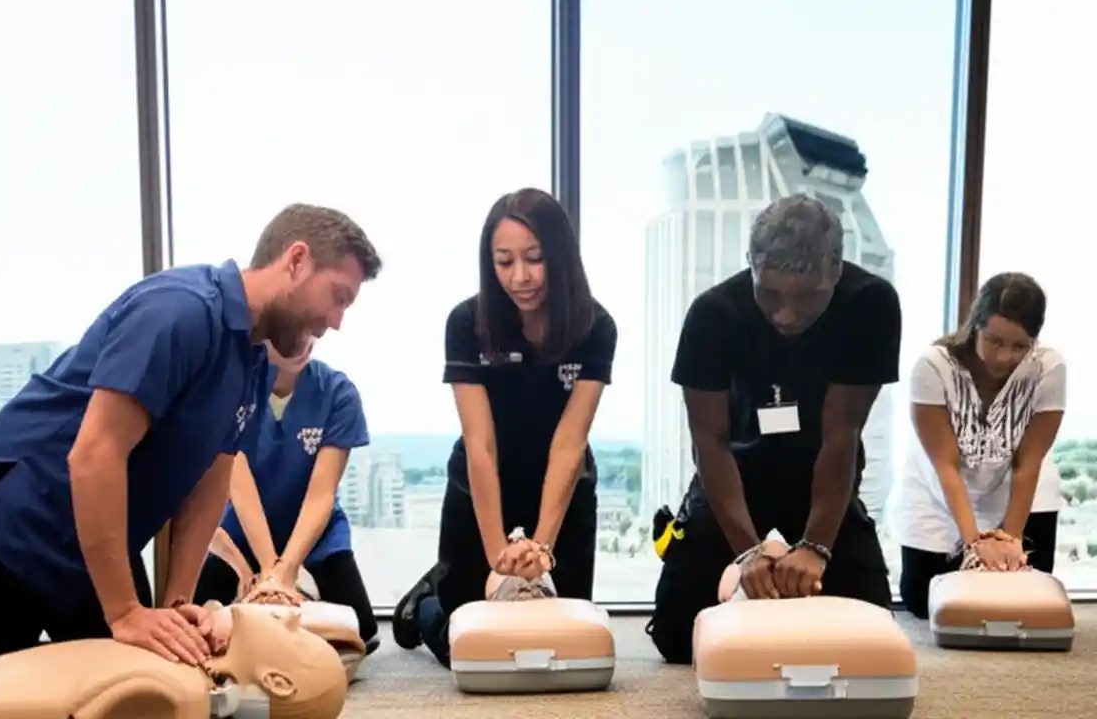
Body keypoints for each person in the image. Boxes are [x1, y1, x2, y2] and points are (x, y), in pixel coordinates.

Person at [0, 203, 381, 719]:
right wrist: (126, 613)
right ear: (297, 260)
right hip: (17, 515)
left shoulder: (254, 361)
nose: (337, 321)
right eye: (339, 297)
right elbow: (95, 455)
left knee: (129, 691)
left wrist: (174, 605)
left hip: (95, 531)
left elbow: (209, 482)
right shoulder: (181, 311)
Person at [645, 194, 899, 665]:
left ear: (836, 271)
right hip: (735, 474)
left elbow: (841, 435)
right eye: (771, 294)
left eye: (807, 297)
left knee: (873, 628)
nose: (786, 314)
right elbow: (709, 442)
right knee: (676, 637)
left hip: (823, 475)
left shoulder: (871, 305)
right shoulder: (713, 314)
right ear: (751, 266)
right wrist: (748, 553)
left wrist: (817, 546)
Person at [390, 187, 618, 668]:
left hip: (562, 480)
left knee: (562, 636)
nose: (521, 277)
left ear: (559, 255)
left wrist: (539, 552)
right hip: (483, 476)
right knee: (467, 644)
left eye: (535, 259)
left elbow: (568, 445)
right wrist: (499, 555)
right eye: (504, 261)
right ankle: (425, 602)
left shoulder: (595, 326)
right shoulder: (468, 323)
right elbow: (481, 444)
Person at [886, 272, 1064, 618]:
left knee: (1020, 601)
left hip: (1019, 493)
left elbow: (1028, 465)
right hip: (942, 493)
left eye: (1019, 346)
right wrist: (976, 544)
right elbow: (945, 466)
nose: (1003, 357)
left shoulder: (1048, 368)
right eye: (994, 340)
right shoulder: (934, 366)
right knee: (924, 601)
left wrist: (1007, 542)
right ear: (974, 326)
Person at [192, 337, 379, 652]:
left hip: (316, 532)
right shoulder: (233, 390)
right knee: (198, 621)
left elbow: (321, 495)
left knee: (362, 630)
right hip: (243, 527)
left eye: (311, 330)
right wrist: (267, 569)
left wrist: (285, 571)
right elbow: (239, 487)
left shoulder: (337, 393)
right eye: (293, 330)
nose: (302, 340)